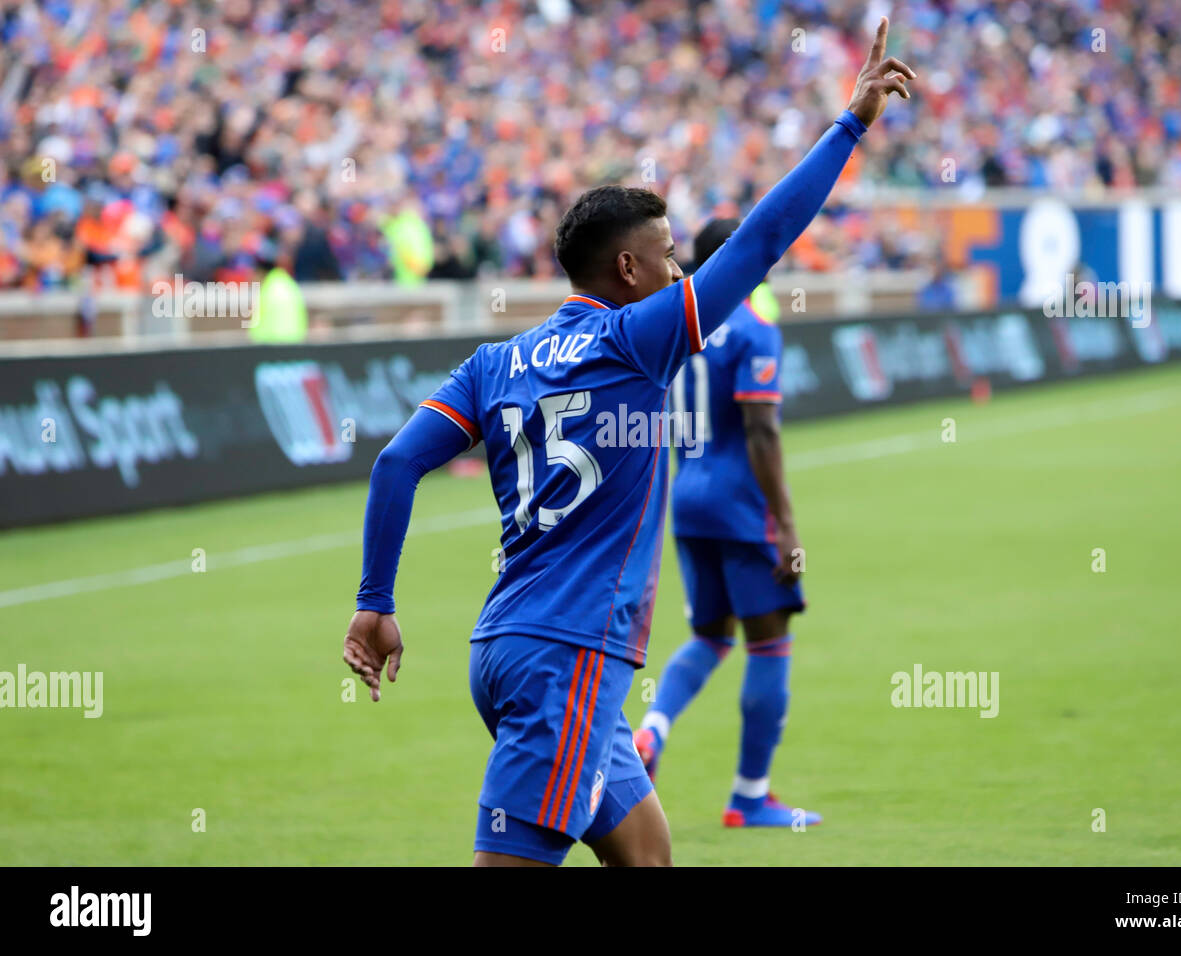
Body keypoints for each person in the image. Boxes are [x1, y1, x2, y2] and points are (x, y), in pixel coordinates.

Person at [341, 18, 915, 867]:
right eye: (670, 255)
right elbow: (759, 243)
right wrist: (852, 123)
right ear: (629, 273)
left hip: (510, 647)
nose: (683, 272)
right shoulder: (638, 340)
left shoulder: (494, 363)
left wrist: (375, 601)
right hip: (567, 658)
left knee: (647, 858)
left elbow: (397, 463)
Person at [634, 217, 814, 827]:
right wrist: (785, 526)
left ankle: (651, 731)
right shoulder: (755, 330)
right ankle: (749, 795)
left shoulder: (677, 327)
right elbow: (762, 429)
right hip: (740, 506)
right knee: (770, 642)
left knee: (712, 635)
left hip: (687, 498)